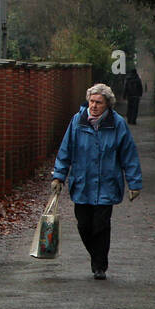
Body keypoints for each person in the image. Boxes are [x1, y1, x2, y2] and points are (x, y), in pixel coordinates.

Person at [51, 83, 143, 279]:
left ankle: (99, 266)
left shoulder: (117, 124)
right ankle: (97, 257)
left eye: (98, 102)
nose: (93, 106)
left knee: (101, 226)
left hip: (107, 184)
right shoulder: (77, 121)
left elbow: (129, 155)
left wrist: (134, 183)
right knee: (83, 225)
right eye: (91, 101)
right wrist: (59, 176)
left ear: (107, 104)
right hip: (82, 184)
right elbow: (65, 149)